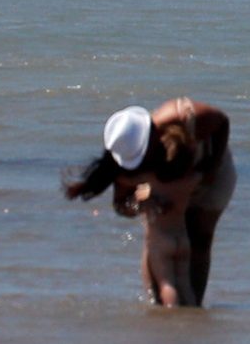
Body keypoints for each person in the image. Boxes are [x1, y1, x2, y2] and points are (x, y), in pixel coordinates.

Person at [63, 99, 235, 307]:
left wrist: (212, 169)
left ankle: (178, 308)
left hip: (211, 164)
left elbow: (222, 122)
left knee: (197, 239)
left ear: (151, 138)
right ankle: (174, 308)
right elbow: (121, 206)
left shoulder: (181, 115)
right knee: (182, 249)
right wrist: (137, 206)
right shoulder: (124, 157)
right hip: (192, 188)